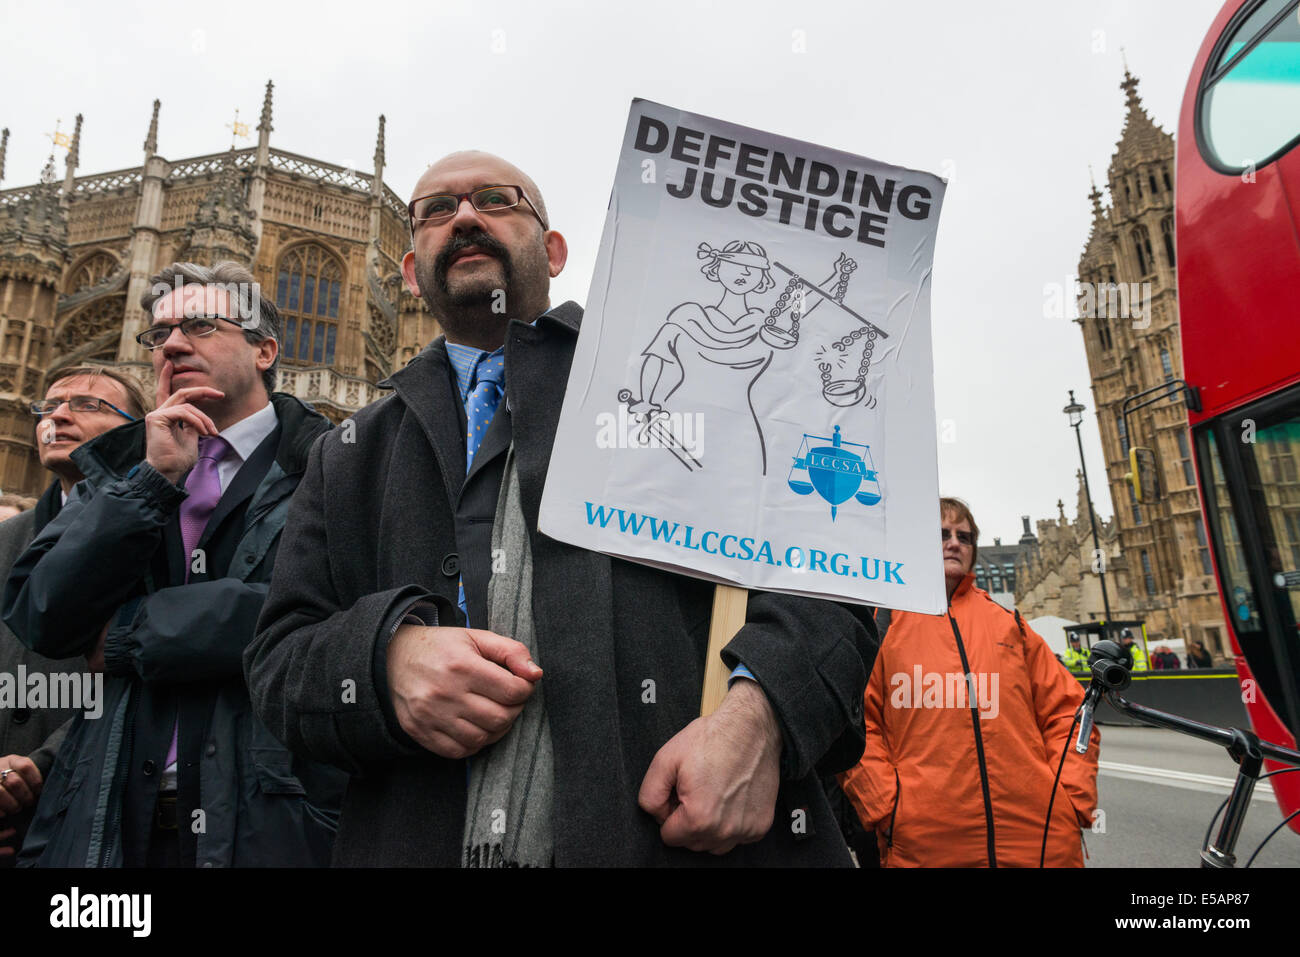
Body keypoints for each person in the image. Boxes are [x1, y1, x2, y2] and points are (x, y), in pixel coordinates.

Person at [246, 151, 877, 867]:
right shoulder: (350, 450)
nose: (465, 217)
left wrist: (759, 717)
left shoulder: (681, 386)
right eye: (435, 211)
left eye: (495, 199)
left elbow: (836, 575)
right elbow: (278, 661)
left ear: (554, 252)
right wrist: (383, 660)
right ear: (409, 274)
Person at [3, 262, 344, 867]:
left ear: (265, 349)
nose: (174, 345)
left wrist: (130, 635)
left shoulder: (336, 464)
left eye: (201, 325)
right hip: (104, 826)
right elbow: (42, 615)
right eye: (159, 335)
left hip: (272, 825)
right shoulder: (120, 471)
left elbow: (328, 610)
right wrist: (151, 480)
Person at [838, 497, 1099, 867]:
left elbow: (1071, 713)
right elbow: (852, 722)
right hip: (928, 847)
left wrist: (1070, 796)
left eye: (965, 536)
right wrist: (886, 807)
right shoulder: (883, 623)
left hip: (1040, 844)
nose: (955, 542)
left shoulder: (1011, 623)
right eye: (942, 534)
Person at [0, 367, 148, 864]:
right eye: (48, 406)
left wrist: (36, 769)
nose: (57, 417)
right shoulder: (7, 539)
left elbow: (137, 674)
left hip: (93, 806)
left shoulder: (161, 532)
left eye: (88, 405)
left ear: (139, 430)